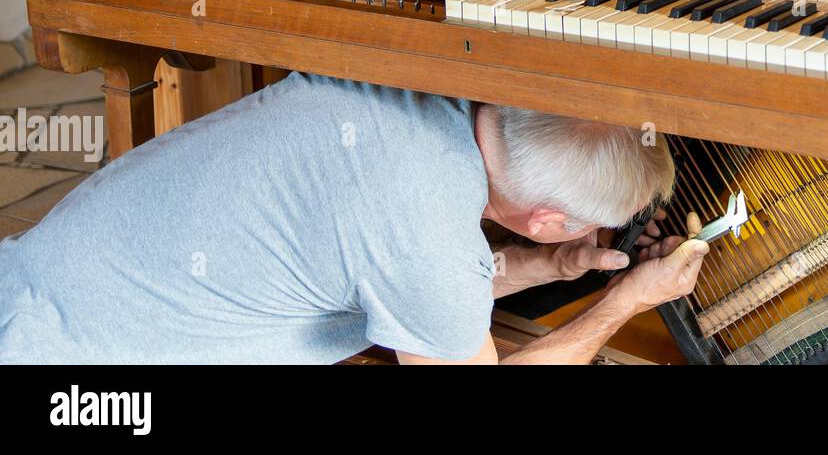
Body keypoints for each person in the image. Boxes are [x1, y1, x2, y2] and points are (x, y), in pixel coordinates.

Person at [0, 73, 707, 364]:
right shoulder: (431, 239)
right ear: (548, 216)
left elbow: (406, 278)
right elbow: (428, 272)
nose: (588, 239)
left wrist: (551, 268)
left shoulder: (406, 88)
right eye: (583, 229)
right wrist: (629, 300)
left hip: (31, 282)